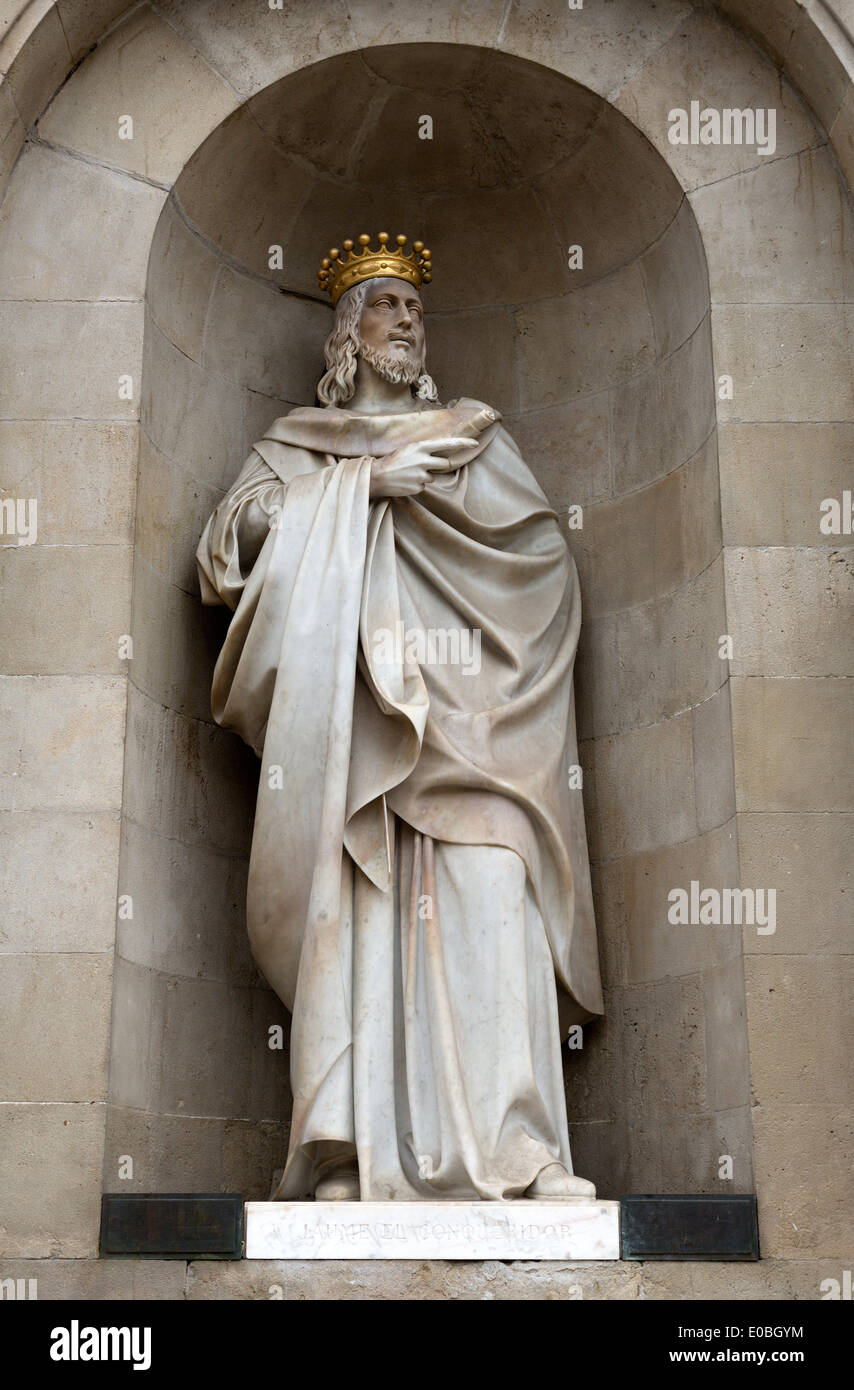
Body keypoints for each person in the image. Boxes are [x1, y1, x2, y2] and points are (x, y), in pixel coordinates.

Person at [196, 233, 603, 1202]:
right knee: (356, 921)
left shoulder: (472, 436)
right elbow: (224, 552)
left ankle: (522, 1150)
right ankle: (344, 1147)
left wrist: (487, 662)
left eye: (416, 306)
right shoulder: (299, 447)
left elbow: (542, 564)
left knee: (493, 899)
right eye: (386, 303)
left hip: (478, 729)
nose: (408, 319)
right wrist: (355, 490)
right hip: (354, 725)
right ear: (345, 332)